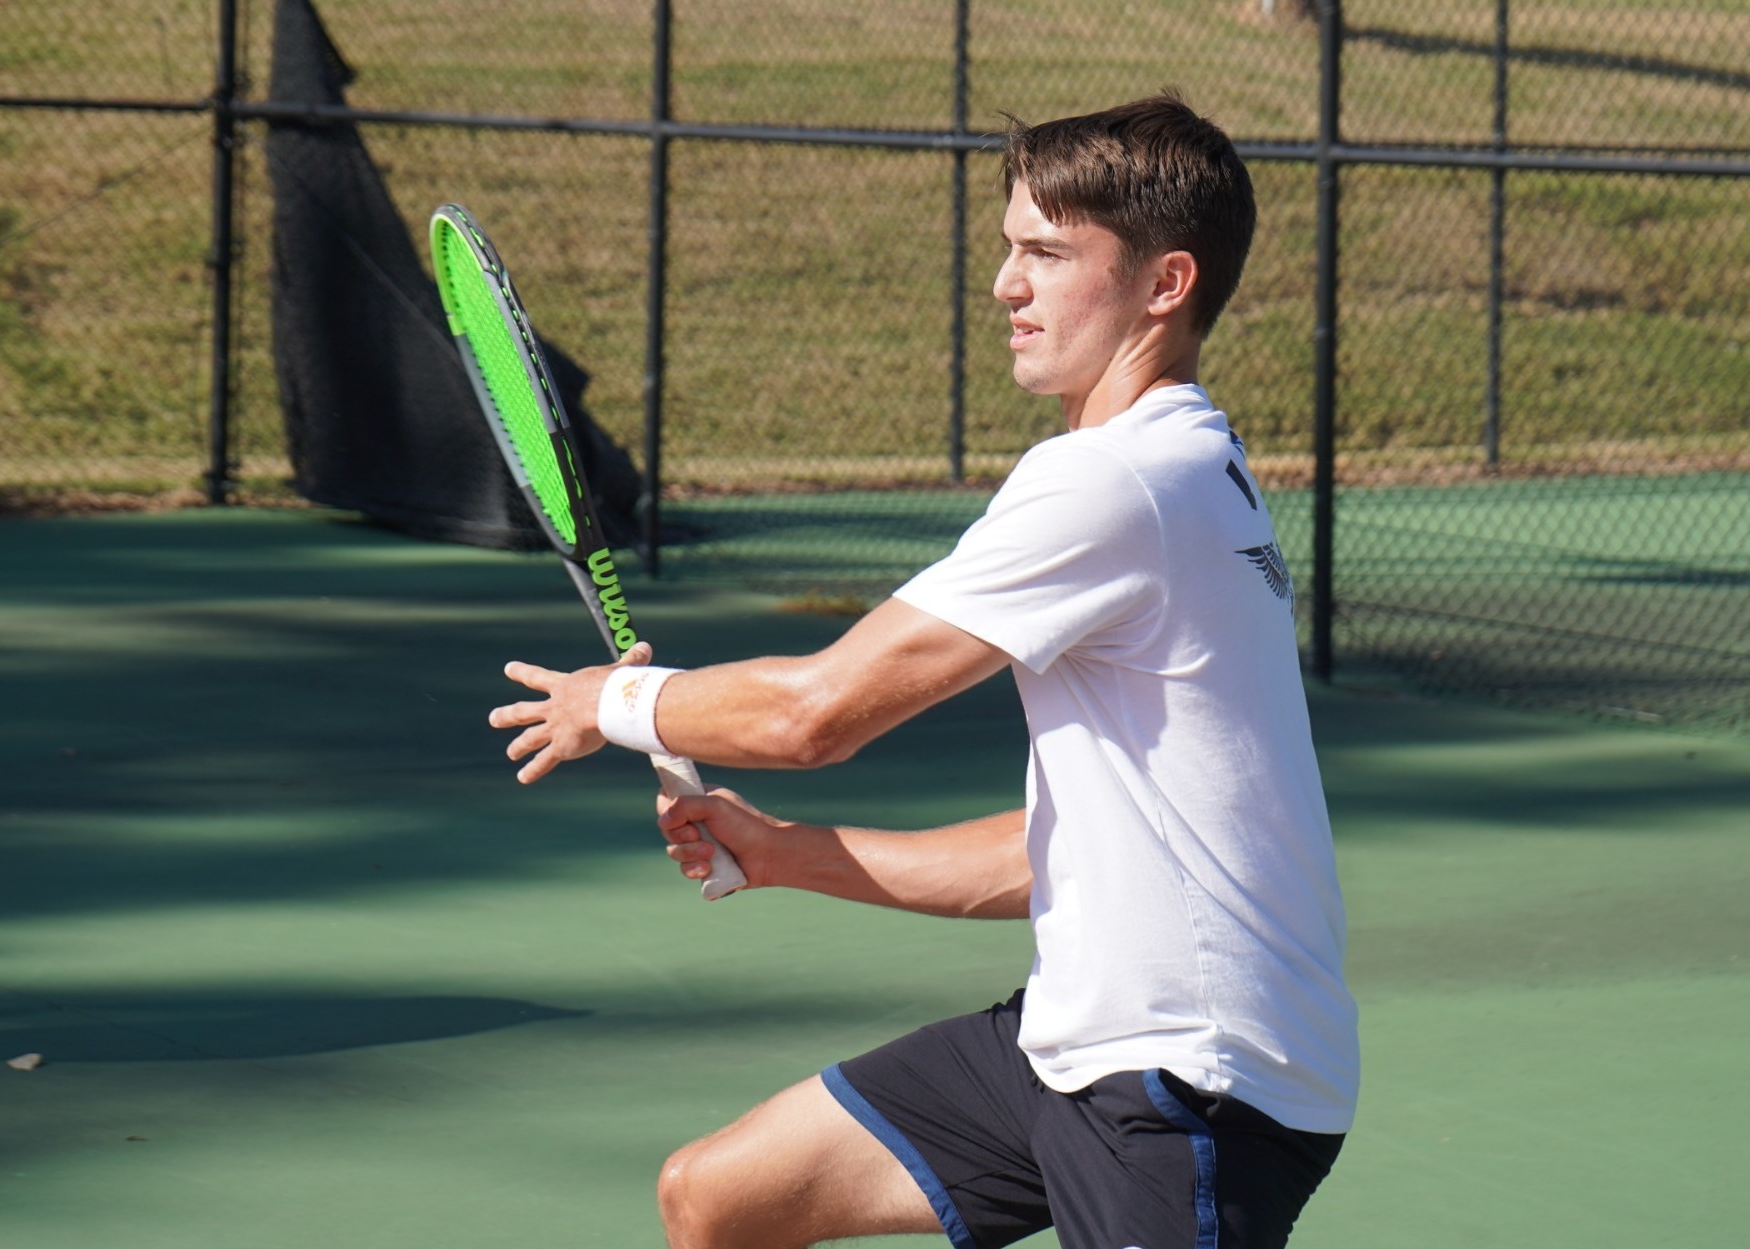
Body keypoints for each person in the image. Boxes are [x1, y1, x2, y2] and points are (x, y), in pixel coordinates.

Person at [488, 92, 1357, 1249]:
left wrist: (616, 701)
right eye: (1008, 247)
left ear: (1165, 284)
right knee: (719, 1197)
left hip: (1188, 1082)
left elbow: (817, 712)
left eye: (1047, 253)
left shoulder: (1117, 481)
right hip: (1072, 1041)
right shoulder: (1187, 465)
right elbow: (1046, 851)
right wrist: (786, 853)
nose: (1006, 284)